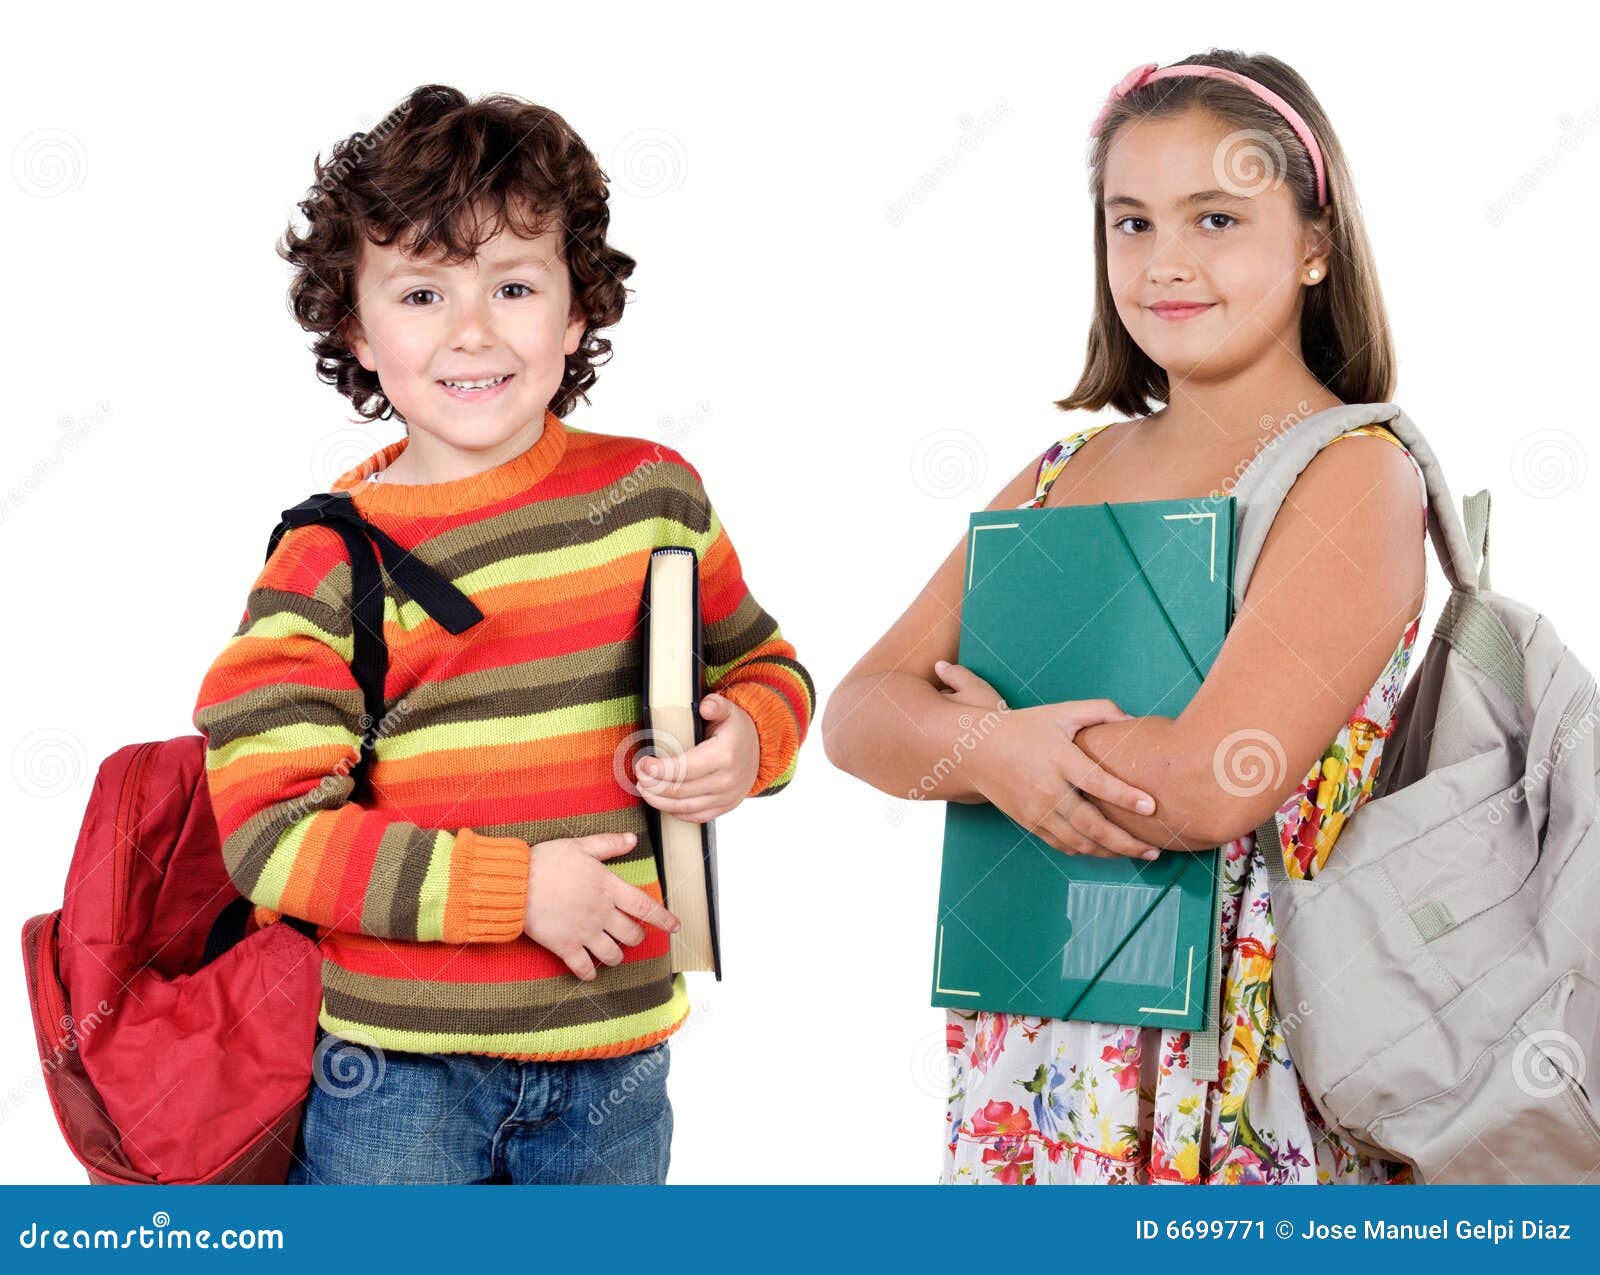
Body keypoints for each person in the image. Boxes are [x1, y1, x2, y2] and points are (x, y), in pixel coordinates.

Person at [821, 49, 1427, 1184]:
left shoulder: (1352, 476)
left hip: (1244, 1056)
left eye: (1214, 218)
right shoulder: (1060, 473)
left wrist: (988, 748)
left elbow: (1211, 784)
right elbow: (856, 716)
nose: (1165, 263)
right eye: (1131, 222)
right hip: (1043, 1051)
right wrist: (995, 747)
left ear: (1312, 245)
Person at [192, 84, 815, 1185]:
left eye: (514, 286)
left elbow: (761, 666)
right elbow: (270, 833)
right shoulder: (327, 560)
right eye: (422, 292)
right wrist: (515, 893)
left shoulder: (650, 495)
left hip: (616, 1055)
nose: (472, 331)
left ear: (576, 312)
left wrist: (747, 744)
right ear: (355, 325)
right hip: (393, 1073)